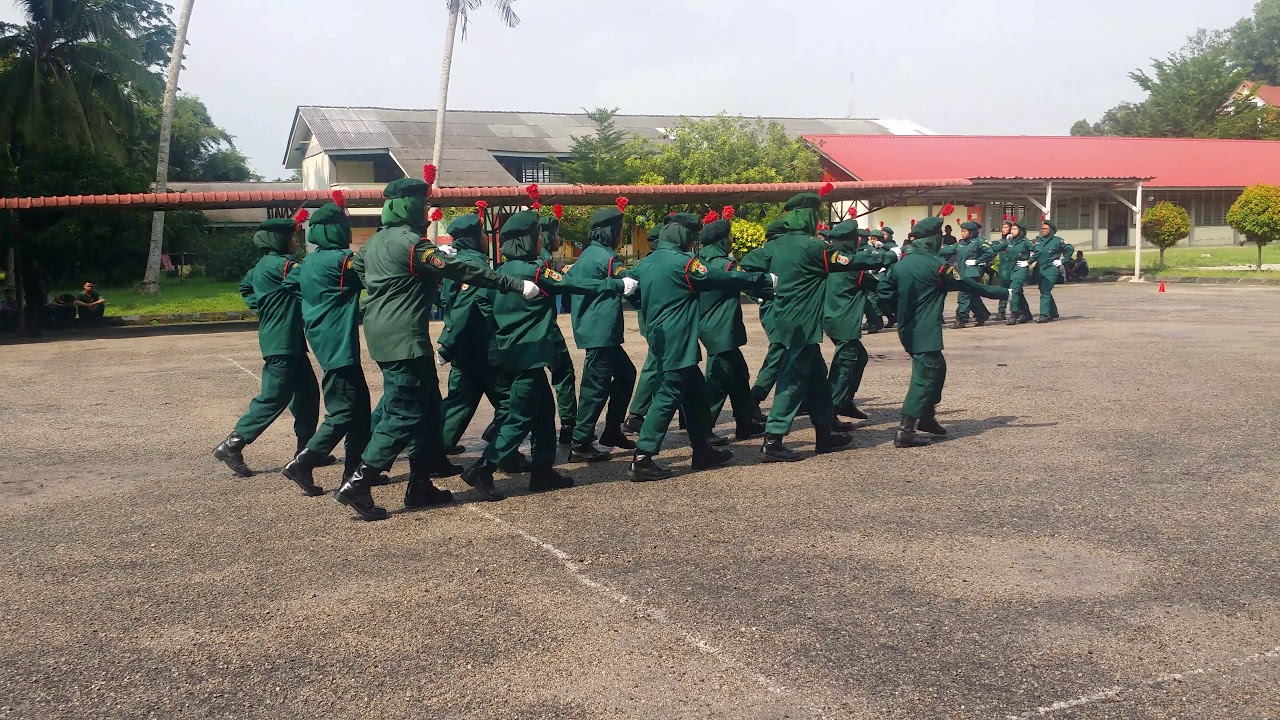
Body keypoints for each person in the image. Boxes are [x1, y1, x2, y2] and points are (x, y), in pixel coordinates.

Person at [333, 176, 536, 522]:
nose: (425, 210)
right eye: (421, 203)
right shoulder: (412, 244)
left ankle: (420, 484)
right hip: (405, 341)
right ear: (410, 206)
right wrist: (514, 284)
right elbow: (462, 270)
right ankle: (359, 481)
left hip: (385, 336)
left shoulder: (373, 244)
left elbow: (365, 273)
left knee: (428, 410)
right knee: (403, 412)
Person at [460, 209, 633, 496]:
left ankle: (542, 471)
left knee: (543, 414)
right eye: (538, 235)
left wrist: (504, 328)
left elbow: (482, 303)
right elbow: (571, 284)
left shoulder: (499, 273)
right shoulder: (535, 271)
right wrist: (616, 284)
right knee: (520, 417)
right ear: (528, 239)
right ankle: (483, 468)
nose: (542, 240)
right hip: (532, 355)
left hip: (514, 353)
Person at [739, 190, 883, 462]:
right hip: (802, 325)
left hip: (785, 320)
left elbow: (747, 264)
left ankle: (825, 432)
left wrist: (765, 289)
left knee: (818, 381)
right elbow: (848, 262)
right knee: (792, 381)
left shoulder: (775, 246)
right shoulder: (813, 246)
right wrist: (883, 258)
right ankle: (773, 439)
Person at [627, 212, 773, 480]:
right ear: (683, 235)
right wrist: (761, 280)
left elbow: (630, 290)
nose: (694, 241)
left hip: (661, 338)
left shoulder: (647, 263)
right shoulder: (684, 263)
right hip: (678, 340)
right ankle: (642, 457)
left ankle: (702, 450)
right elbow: (722, 278)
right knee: (667, 395)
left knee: (696, 396)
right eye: (692, 235)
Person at [876, 213, 1008, 448]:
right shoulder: (937, 265)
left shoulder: (900, 265)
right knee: (925, 376)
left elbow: (883, 292)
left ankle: (926, 416)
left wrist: (895, 313)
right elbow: (968, 284)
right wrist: (1001, 293)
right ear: (933, 239)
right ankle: (906, 430)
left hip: (907, 329)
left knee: (937, 368)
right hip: (925, 331)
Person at [212, 216, 323, 479]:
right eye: (293, 237)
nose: (296, 242)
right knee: (274, 397)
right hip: (281, 342)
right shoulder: (280, 265)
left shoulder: (259, 267)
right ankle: (232, 444)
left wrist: (261, 307)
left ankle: (306, 452)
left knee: (307, 395)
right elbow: (308, 277)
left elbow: (245, 286)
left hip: (287, 341)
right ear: (279, 239)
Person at [279, 201, 368, 498]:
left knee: (361, 412)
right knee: (345, 410)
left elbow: (290, 284)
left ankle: (353, 471)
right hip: (339, 344)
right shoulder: (342, 261)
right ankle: (303, 462)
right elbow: (373, 278)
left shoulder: (308, 262)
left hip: (322, 338)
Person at [566, 200, 637, 462]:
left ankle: (611, 430)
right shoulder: (605, 258)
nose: (620, 236)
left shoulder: (587, 255)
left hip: (595, 330)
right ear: (609, 231)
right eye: (619, 231)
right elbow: (628, 281)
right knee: (595, 386)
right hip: (600, 333)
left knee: (626, 374)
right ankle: (580, 441)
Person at [697, 209, 768, 443]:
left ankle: (745, 424)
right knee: (717, 382)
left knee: (739, 375)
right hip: (720, 330)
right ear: (720, 240)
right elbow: (745, 281)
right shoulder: (725, 264)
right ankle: (703, 431)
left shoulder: (701, 261)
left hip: (713, 327)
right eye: (729, 237)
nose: (731, 241)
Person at [824, 221, 890, 421]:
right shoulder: (852, 266)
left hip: (831, 320)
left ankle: (845, 402)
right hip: (844, 323)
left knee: (859, 357)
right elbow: (878, 287)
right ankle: (830, 413)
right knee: (844, 367)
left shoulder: (830, 259)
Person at [539, 209, 579, 444]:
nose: (559, 240)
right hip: (546, 330)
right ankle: (568, 426)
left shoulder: (541, 256)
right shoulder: (543, 259)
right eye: (556, 235)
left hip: (536, 327)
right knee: (563, 375)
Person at [624, 225, 667, 432]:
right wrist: (642, 305)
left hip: (653, 320)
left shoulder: (645, 263)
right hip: (659, 323)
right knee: (656, 364)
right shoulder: (654, 263)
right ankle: (636, 414)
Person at [748, 219, 789, 406]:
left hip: (770, 308)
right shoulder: (784, 250)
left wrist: (758, 295)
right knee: (778, 353)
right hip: (784, 311)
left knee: (805, 357)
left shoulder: (760, 253)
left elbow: (747, 274)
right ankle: (753, 400)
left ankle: (808, 403)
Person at [942, 221, 993, 328]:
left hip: (972, 273)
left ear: (972, 232)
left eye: (965, 231)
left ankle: (961, 319)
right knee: (973, 296)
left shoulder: (978, 242)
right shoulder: (960, 244)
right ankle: (982, 314)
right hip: (962, 273)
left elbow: (990, 252)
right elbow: (947, 250)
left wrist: (978, 260)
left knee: (964, 296)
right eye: (962, 231)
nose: (962, 233)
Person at [987, 220, 1035, 325]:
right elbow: (996, 248)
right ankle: (1026, 313)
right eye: (1012, 229)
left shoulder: (1025, 241)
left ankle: (1014, 315)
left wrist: (1028, 262)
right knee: (1018, 293)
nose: (1012, 231)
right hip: (1010, 270)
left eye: (1014, 229)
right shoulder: (1010, 241)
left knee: (1013, 291)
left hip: (1020, 270)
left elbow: (1038, 251)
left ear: (1021, 231)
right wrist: (984, 247)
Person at [1031, 219, 1073, 323]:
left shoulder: (1057, 240)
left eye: (1045, 229)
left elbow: (1070, 248)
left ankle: (1044, 315)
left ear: (1051, 230)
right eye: (1042, 228)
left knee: (1045, 291)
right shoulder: (1039, 240)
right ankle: (1053, 312)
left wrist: (1062, 260)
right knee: (1044, 290)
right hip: (1040, 269)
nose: (1043, 231)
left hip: (1051, 269)